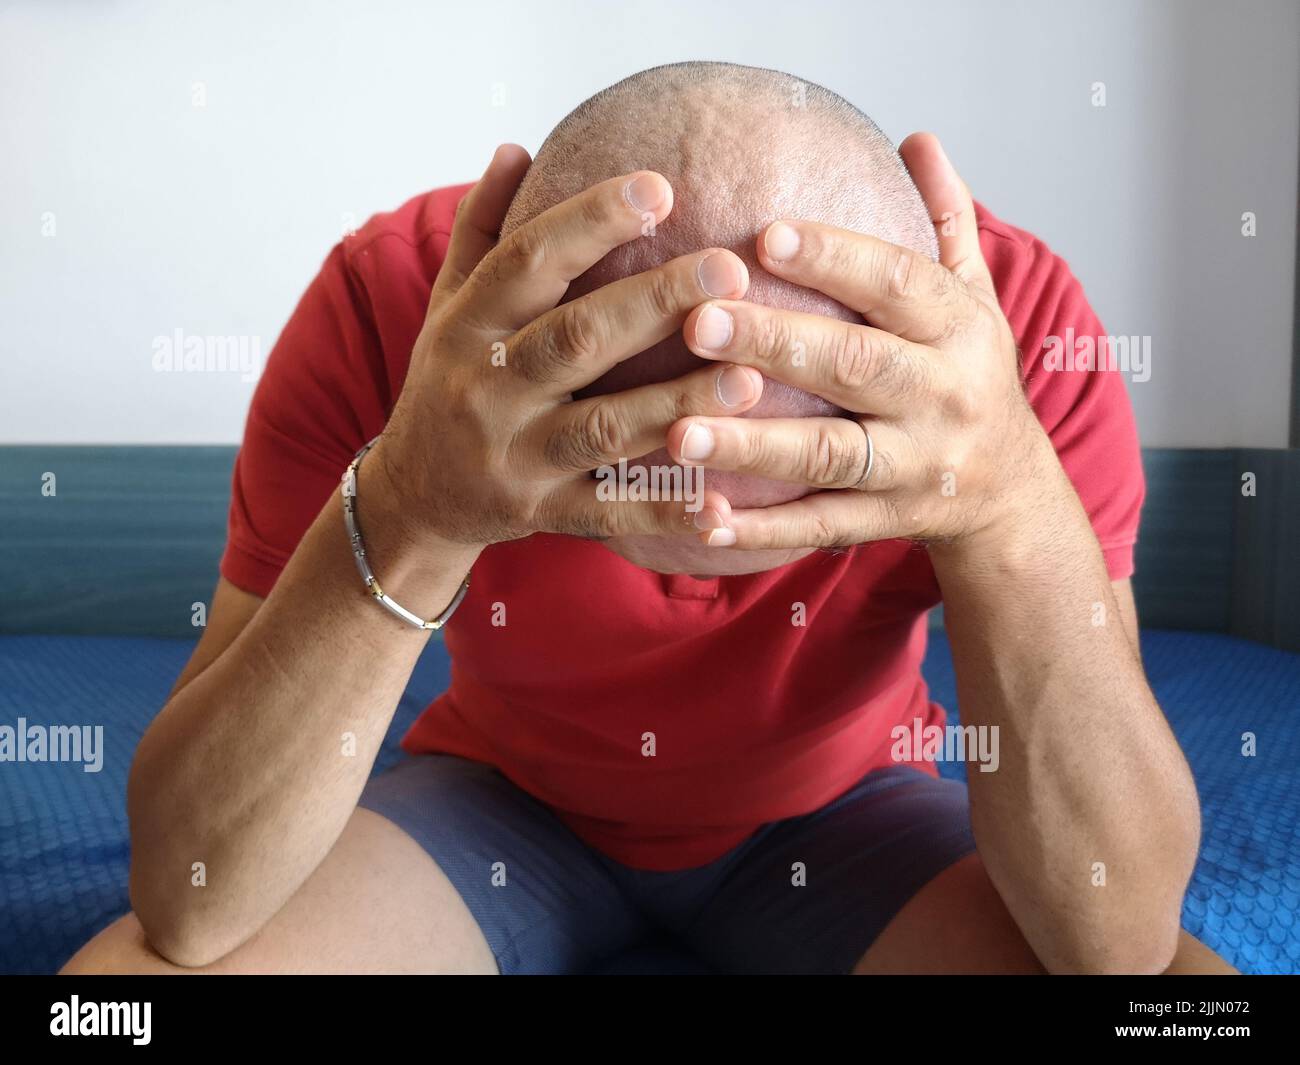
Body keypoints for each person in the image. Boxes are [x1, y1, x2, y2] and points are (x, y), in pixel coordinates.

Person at [63, 62, 1231, 975]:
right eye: (624, 465)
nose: (711, 533)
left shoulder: (1002, 336)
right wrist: (418, 497)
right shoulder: (397, 310)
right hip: (505, 801)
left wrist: (1005, 505)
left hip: (849, 803)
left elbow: (1116, 931)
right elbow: (192, 890)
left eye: (791, 487)